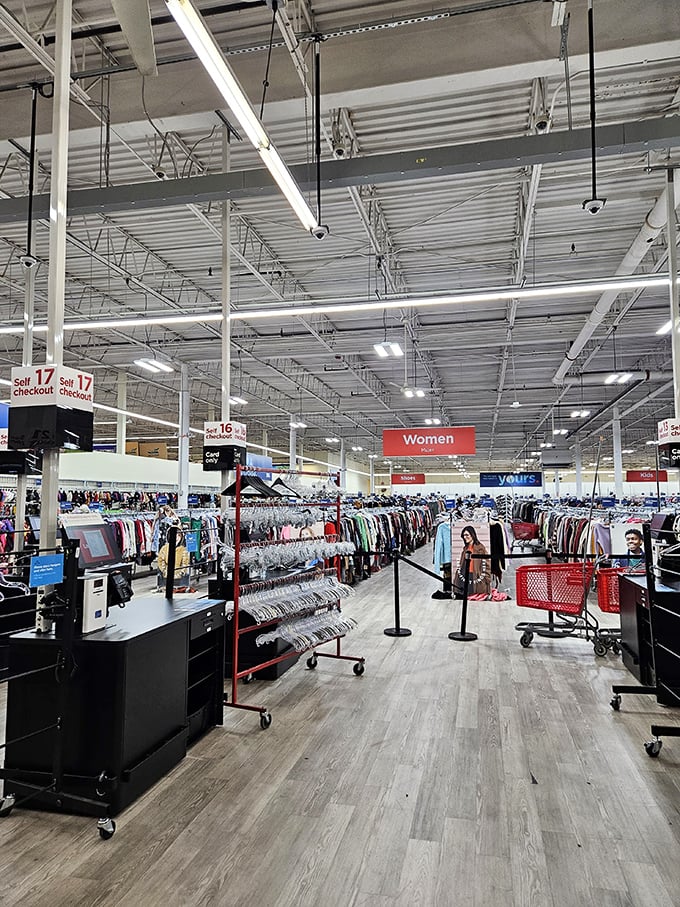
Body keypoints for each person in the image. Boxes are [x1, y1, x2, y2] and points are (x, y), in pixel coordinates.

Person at [453, 525, 491, 598]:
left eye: (467, 535)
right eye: (463, 535)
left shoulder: (480, 548)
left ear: (472, 535)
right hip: (465, 576)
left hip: (475, 577)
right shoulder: (465, 548)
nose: (465, 537)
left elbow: (487, 564)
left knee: (475, 599)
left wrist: (487, 579)